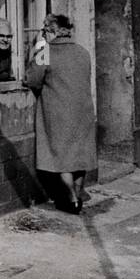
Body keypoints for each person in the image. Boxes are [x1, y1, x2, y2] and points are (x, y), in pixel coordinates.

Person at [25, 14, 97, 214]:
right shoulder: (83, 52)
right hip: (83, 112)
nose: (44, 34)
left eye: (45, 31)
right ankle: (78, 193)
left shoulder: (45, 52)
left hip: (58, 113)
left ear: (53, 31)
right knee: (79, 156)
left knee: (62, 158)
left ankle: (71, 199)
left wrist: (36, 49)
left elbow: (32, 79)